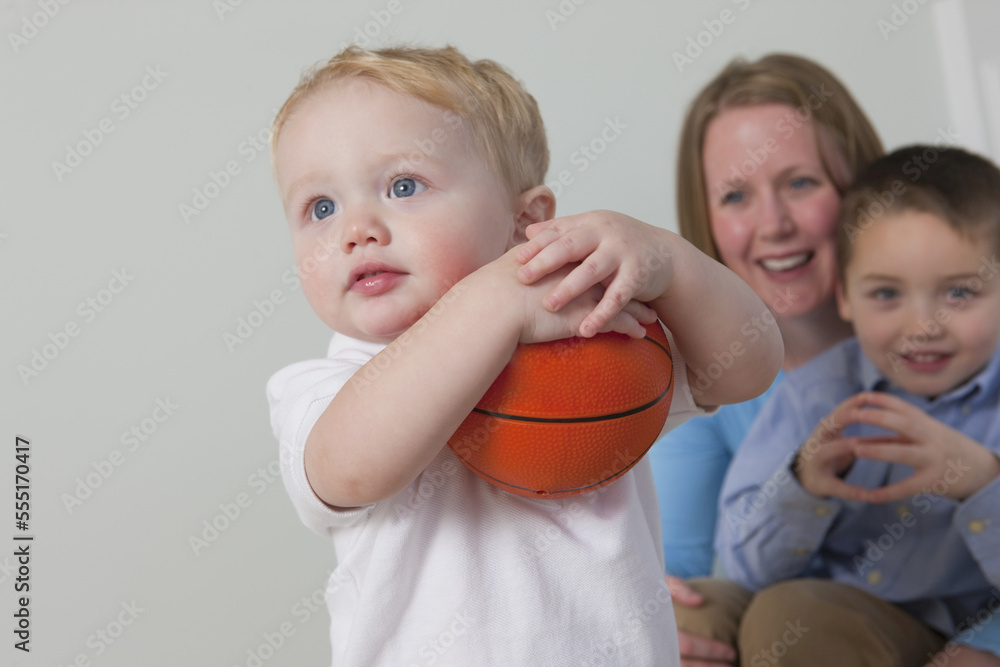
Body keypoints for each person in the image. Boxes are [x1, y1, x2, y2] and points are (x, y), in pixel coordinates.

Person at [265, 45, 783, 666]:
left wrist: (668, 259)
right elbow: (350, 468)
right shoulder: (327, 389)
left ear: (524, 223)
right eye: (320, 207)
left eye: (403, 185)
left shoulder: (586, 340)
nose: (356, 228)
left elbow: (749, 365)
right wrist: (494, 302)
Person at [709, 144, 1000, 666]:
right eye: (887, 294)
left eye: (958, 293)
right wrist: (802, 485)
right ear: (845, 297)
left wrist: (984, 484)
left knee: (788, 617)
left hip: (961, 629)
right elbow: (746, 567)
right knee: (705, 612)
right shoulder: (815, 395)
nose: (922, 327)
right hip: (832, 611)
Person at [645, 54, 883, 663]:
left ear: (861, 190)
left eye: (801, 183)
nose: (773, 224)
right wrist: (654, 614)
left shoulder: (951, 337)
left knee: (788, 614)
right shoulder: (705, 378)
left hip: (941, 617)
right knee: (669, 614)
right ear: (708, 221)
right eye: (736, 196)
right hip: (804, 635)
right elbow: (679, 562)